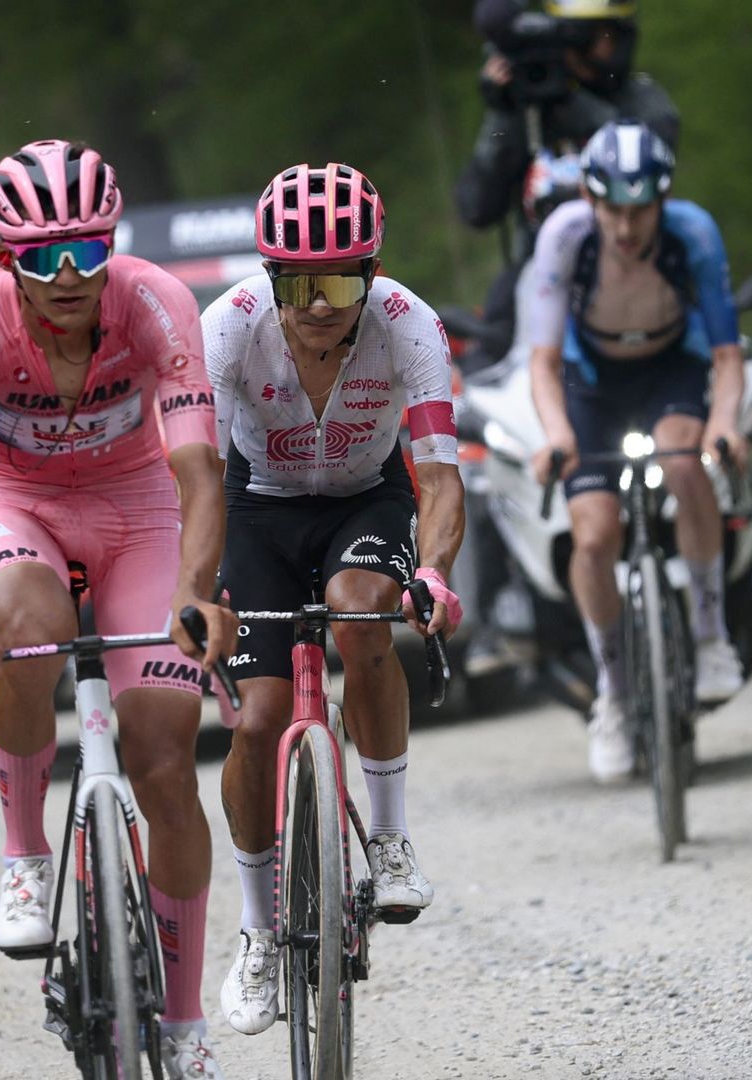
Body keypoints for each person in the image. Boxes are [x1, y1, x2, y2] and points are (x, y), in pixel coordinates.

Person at [0, 138, 239, 1078]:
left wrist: (194, 596)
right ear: (2, 260)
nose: (68, 275)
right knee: (22, 633)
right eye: (42, 257)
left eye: (88, 252)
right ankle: (25, 855)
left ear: (114, 246)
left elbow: (198, 472)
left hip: (139, 505)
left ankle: (182, 1025)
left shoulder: (155, 302)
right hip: (16, 503)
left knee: (165, 759)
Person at [202, 163, 464, 1037]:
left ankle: (387, 841)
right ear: (271, 277)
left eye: (343, 280)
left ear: (373, 273)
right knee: (255, 719)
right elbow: (193, 474)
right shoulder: (229, 327)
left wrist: (432, 575)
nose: (322, 303)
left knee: (362, 619)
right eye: (301, 283)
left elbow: (437, 478)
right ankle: (257, 930)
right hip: (258, 508)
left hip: (366, 497)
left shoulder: (409, 325)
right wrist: (195, 589)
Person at [522, 119, 746, 783]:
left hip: (670, 367)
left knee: (685, 462)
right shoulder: (563, 237)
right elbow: (540, 361)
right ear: (590, 201)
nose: (624, 229)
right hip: (589, 381)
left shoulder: (694, 234)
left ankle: (710, 637)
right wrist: (557, 435)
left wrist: (724, 426)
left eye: (639, 211)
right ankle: (614, 694)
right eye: (612, 210)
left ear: (663, 199)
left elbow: (728, 354)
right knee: (594, 536)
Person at [456, 0, 680, 341]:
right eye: (595, 35)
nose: (607, 46)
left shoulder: (642, 100)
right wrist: (504, 113)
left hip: (639, 265)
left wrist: (571, 104)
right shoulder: (530, 106)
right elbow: (476, 209)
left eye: (612, 34)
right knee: (489, 344)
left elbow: (650, 146)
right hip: (538, 275)